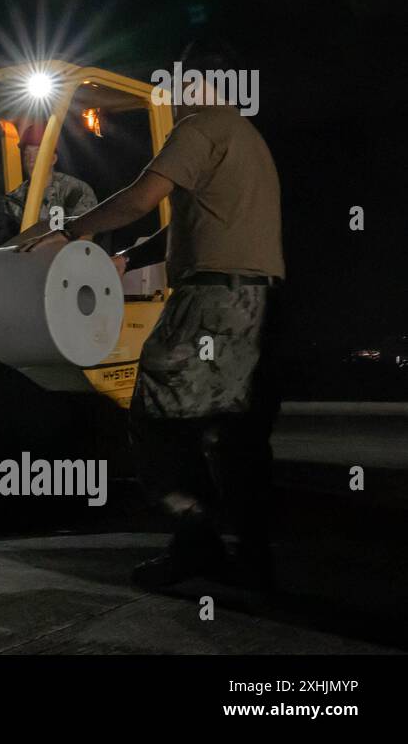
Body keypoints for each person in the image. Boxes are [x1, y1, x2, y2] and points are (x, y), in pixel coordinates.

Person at [22, 39, 284, 591]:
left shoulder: (200, 127)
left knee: (154, 413)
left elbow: (143, 196)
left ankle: (196, 538)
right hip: (256, 300)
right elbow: (193, 219)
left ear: (195, 82)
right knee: (232, 431)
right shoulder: (244, 136)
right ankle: (252, 558)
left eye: (179, 82)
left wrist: (70, 231)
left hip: (212, 301)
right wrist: (132, 255)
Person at [0, 125, 97, 247]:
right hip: (28, 260)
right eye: (27, 154)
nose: (31, 159)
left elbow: (85, 235)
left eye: (38, 153)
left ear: (53, 159)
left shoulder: (76, 190)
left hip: (67, 259)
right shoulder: (13, 199)